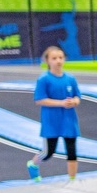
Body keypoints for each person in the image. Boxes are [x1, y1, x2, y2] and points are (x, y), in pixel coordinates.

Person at [27, 45, 81, 182]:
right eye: (54, 58)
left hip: (68, 119)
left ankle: (72, 179)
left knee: (72, 151)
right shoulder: (44, 79)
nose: (58, 61)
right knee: (48, 152)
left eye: (61, 58)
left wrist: (74, 102)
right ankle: (33, 165)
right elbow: (39, 100)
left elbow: (77, 97)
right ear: (48, 61)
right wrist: (61, 103)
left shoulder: (70, 79)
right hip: (51, 120)